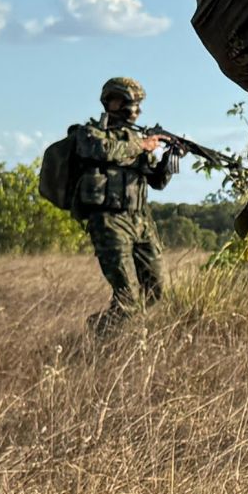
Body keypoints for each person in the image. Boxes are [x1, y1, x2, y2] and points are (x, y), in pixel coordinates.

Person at [72, 77, 177, 334]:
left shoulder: (136, 140)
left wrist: (169, 159)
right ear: (110, 101)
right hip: (110, 222)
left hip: (141, 221)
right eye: (127, 102)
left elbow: (157, 181)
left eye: (137, 104)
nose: (134, 109)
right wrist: (142, 145)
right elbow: (103, 150)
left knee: (156, 290)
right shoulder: (90, 132)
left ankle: (118, 332)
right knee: (127, 298)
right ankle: (101, 338)